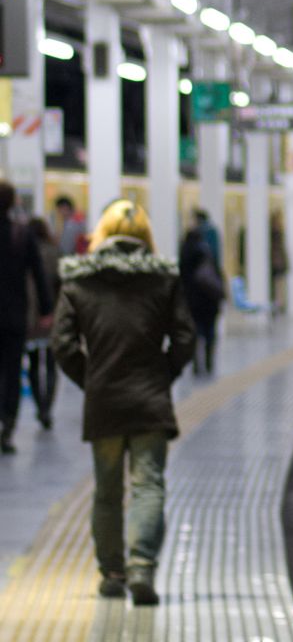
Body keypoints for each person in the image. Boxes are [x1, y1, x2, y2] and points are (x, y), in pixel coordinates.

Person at [52, 198, 195, 605]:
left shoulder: (80, 279)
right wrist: (163, 374)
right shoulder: (164, 279)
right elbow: (185, 338)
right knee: (148, 485)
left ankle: (111, 573)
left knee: (107, 490)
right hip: (149, 398)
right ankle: (141, 568)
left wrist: (92, 379)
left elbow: (62, 344)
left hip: (106, 401)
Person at [0, 182, 53, 454]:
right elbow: (40, 275)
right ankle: (7, 428)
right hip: (14, 316)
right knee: (12, 372)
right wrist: (46, 310)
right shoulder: (21, 234)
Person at [25, 217, 61, 430]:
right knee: (50, 363)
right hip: (52, 315)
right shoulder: (54, 252)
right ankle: (48, 405)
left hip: (30, 316)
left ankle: (40, 405)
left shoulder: (23, 252)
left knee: (33, 363)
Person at [179, 216, 225, 375]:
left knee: (195, 332)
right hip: (210, 299)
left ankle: (196, 366)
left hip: (192, 301)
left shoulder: (185, 253)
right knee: (210, 331)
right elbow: (218, 274)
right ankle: (209, 362)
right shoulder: (207, 252)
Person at [270, 209, 288, 314]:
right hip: (276, 264)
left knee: (280, 286)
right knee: (276, 286)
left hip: (280, 264)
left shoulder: (278, 232)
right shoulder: (274, 232)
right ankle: (277, 305)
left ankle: (280, 304)